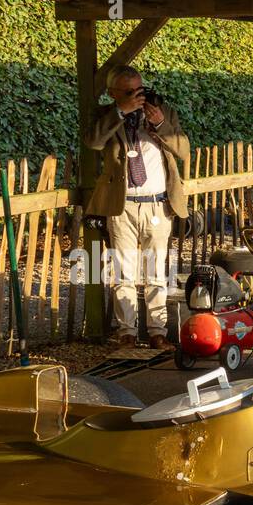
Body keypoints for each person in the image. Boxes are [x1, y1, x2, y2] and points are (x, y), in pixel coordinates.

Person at [83, 65, 189, 350]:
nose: (137, 96)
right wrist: (121, 112)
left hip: (157, 204)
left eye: (139, 90)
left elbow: (184, 150)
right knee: (123, 273)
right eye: (129, 92)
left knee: (156, 273)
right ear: (113, 94)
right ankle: (126, 334)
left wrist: (160, 126)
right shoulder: (106, 116)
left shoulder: (162, 111)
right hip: (122, 206)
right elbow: (93, 142)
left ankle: (157, 333)